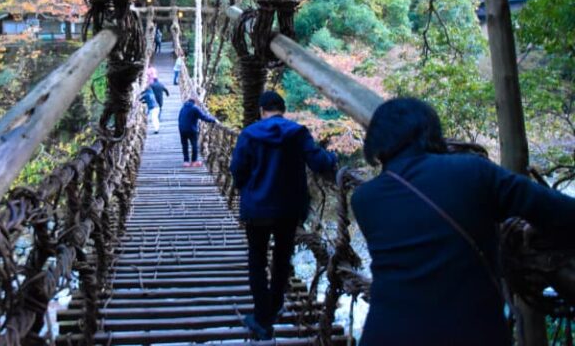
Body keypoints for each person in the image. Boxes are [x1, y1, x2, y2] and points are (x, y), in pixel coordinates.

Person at [351, 98, 575, 346]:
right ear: (430, 131)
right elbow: (561, 213)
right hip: (470, 334)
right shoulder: (473, 171)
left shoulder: (364, 200)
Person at [229, 91, 338, 340]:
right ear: (283, 109)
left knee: (257, 260)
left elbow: (238, 169)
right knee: (281, 258)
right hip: (289, 210)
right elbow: (319, 162)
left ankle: (261, 317)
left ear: (261, 109)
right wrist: (334, 158)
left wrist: (246, 188)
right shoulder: (297, 132)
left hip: (257, 208)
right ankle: (274, 307)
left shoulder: (249, 134)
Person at [178, 96, 216, 167]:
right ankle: (194, 161)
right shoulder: (195, 108)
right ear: (195, 102)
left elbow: (179, 118)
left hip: (182, 129)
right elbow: (204, 117)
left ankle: (186, 161)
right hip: (191, 129)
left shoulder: (183, 108)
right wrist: (213, 120)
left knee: (185, 145)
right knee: (194, 145)